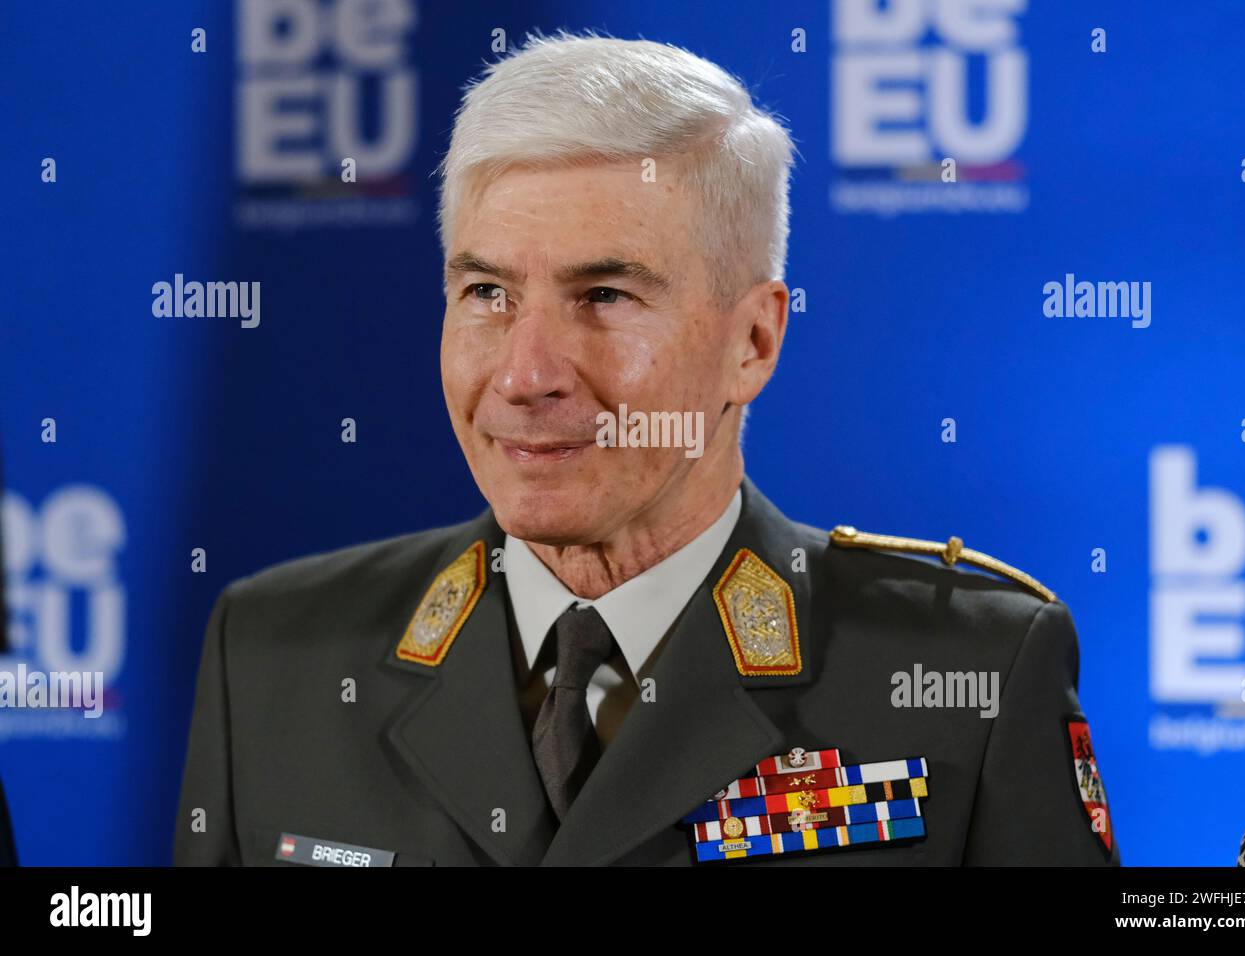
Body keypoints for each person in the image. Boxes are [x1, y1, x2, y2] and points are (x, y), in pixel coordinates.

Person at [174, 32, 1118, 866]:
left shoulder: (971, 676)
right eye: (488, 294)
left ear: (753, 341)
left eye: (605, 297)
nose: (526, 375)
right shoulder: (276, 655)